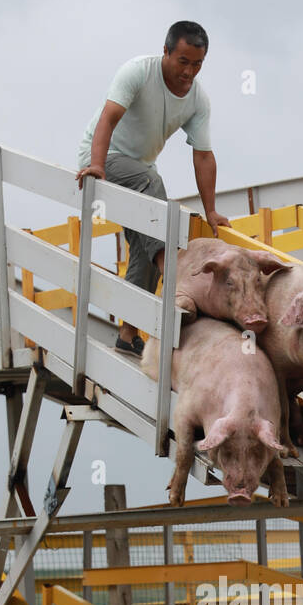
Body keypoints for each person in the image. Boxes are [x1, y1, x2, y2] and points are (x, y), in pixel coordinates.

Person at [75, 20, 231, 355]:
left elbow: (203, 156)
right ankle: (172, 272)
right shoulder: (138, 72)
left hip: (141, 170)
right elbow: (108, 118)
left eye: (197, 64)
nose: (189, 72)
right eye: (183, 62)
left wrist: (211, 211)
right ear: (166, 52)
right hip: (103, 158)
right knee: (154, 196)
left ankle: (128, 334)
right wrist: (97, 166)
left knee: (145, 241)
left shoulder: (197, 100)